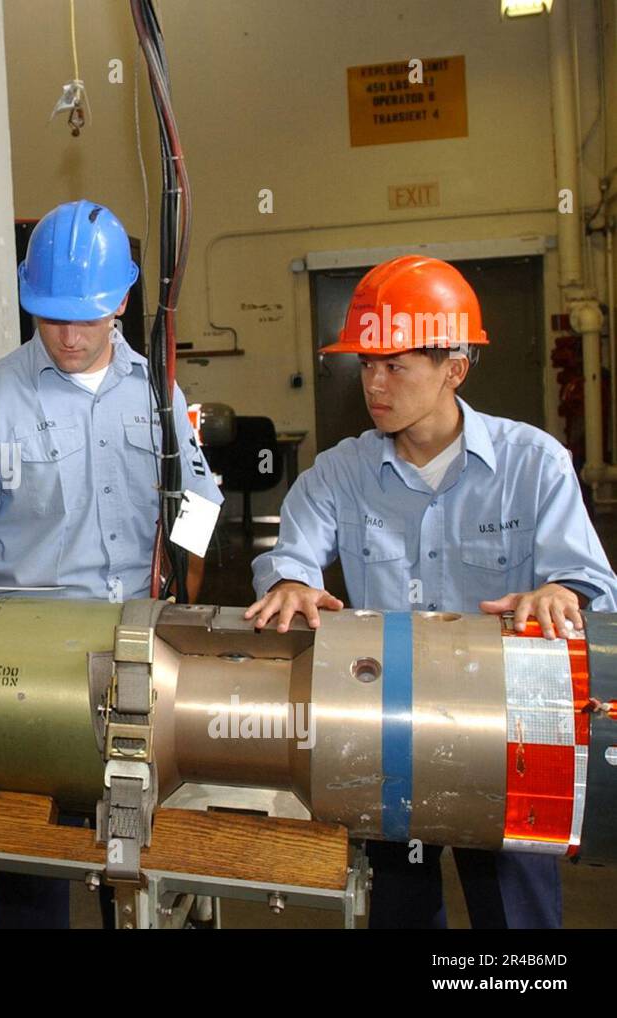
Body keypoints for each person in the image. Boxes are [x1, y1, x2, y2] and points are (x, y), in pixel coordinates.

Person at [0, 199, 222, 928]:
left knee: (142, 864)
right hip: (27, 670)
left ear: (120, 302)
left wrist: (186, 601)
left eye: (85, 317)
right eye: (50, 316)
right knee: (33, 870)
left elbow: (197, 503)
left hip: (140, 655)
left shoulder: (160, 394)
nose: (67, 335)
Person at [244, 254, 617, 929]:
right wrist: (292, 581)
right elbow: (290, 556)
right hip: (386, 731)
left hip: (513, 735)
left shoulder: (534, 465)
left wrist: (559, 593)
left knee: (517, 917)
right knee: (399, 908)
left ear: (455, 367)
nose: (375, 385)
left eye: (396, 366)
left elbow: (592, 585)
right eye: (366, 366)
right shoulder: (339, 475)